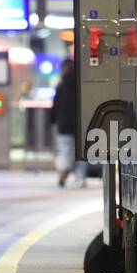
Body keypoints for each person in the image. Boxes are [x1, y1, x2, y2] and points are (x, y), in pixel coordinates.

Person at [50, 58, 85, 188]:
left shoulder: (60, 86)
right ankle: (80, 178)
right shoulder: (80, 85)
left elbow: (55, 106)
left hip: (63, 125)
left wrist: (52, 120)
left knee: (65, 150)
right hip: (79, 125)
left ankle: (64, 169)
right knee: (81, 152)